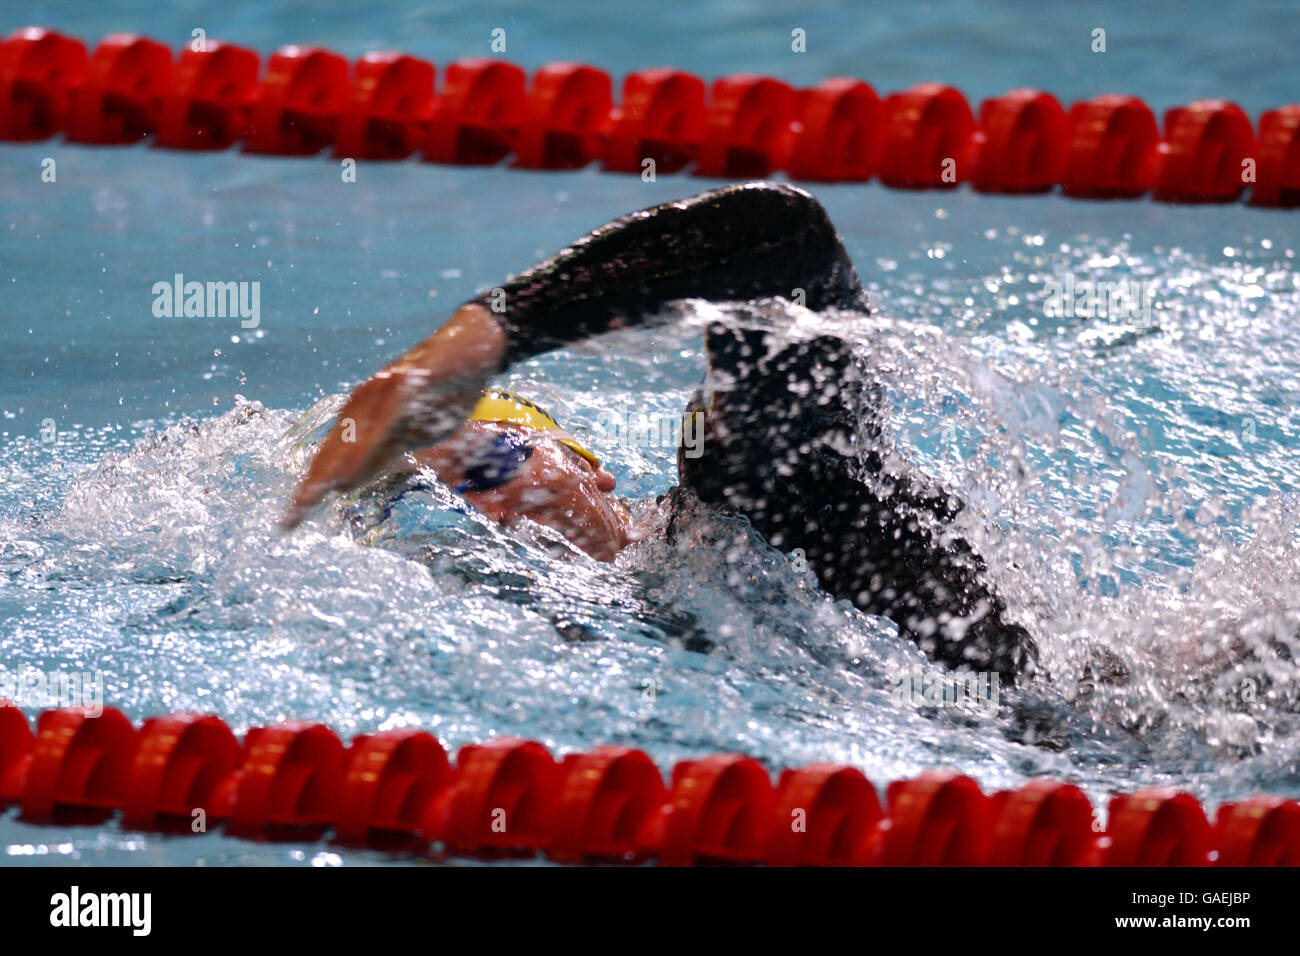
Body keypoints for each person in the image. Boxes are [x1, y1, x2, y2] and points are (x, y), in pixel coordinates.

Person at [282, 182, 1038, 681]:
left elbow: (785, 238)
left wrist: (482, 339)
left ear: (590, 465)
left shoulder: (740, 502)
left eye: (486, 465)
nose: (481, 512)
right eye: (432, 503)